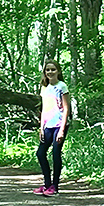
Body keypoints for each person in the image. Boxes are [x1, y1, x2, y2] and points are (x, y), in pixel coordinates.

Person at [33, 59, 71, 197]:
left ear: (58, 71)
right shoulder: (44, 88)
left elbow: (66, 108)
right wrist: (41, 127)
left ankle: (55, 186)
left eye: (53, 69)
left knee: (55, 153)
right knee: (40, 153)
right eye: (47, 70)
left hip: (59, 125)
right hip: (48, 125)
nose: (50, 72)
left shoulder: (62, 86)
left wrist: (61, 129)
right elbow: (44, 109)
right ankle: (47, 183)